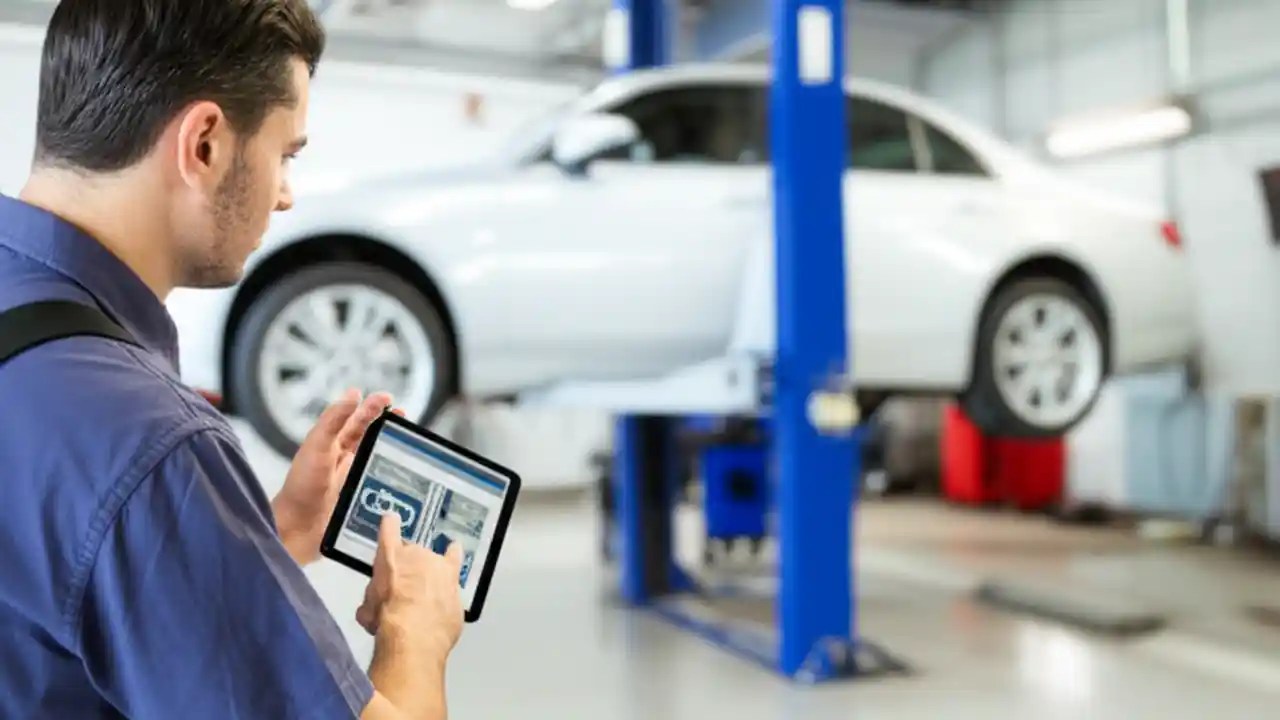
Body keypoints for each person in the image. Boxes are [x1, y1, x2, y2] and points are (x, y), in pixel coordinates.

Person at [0, 2, 465, 718]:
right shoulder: (152, 446)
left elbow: (54, 585)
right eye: (286, 153)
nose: (285, 194)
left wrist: (268, 534)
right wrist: (415, 631)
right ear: (206, 144)